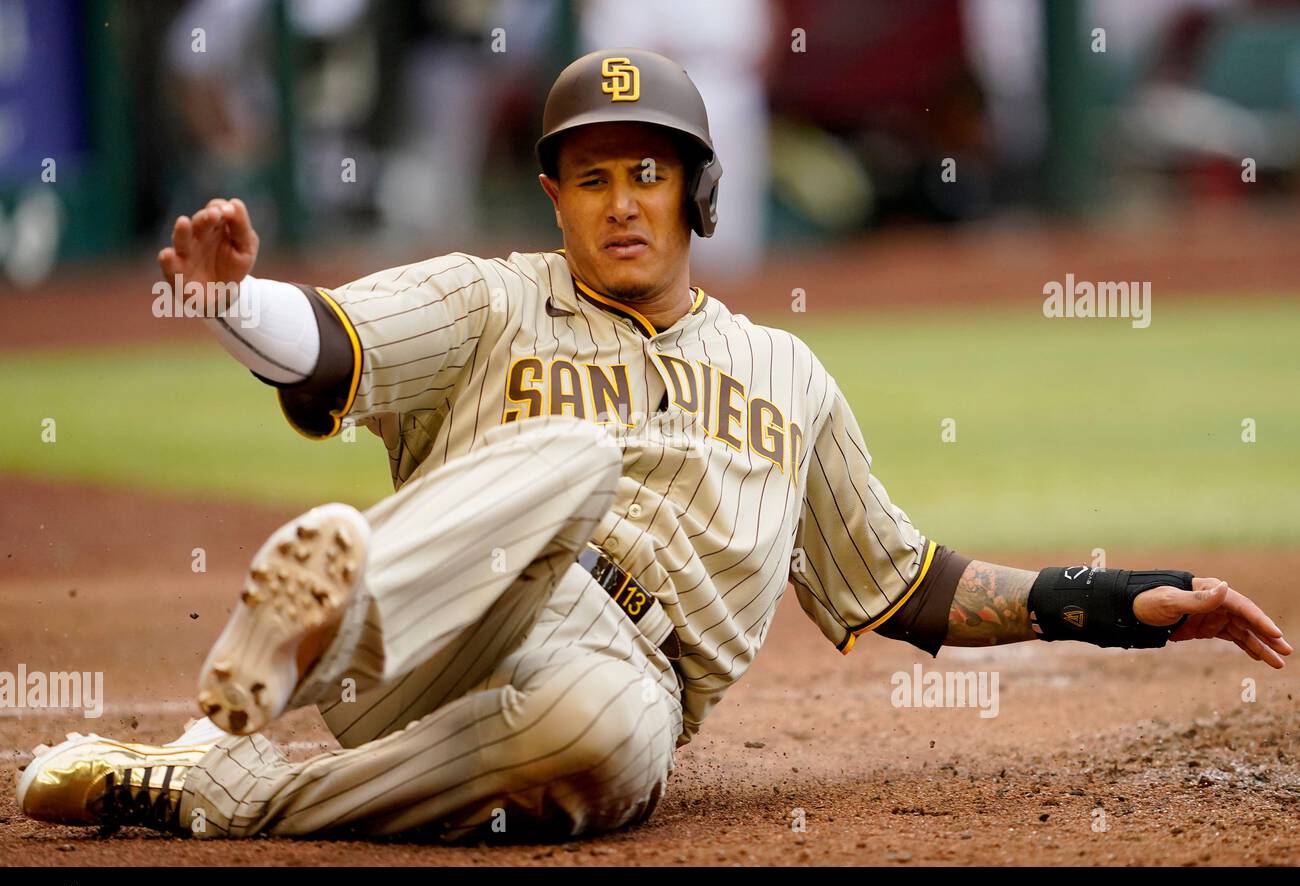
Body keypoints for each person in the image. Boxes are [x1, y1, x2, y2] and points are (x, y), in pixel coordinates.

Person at [17, 49, 1288, 843]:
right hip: (419, 629)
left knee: (604, 743)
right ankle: (305, 630)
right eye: (589, 177)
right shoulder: (494, 297)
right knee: (572, 456)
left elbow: (912, 586)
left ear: (695, 191)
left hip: (617, 686)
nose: (621, 199)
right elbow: (336, 345)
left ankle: (202, 784)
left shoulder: (785, 375)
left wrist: (1117, 601)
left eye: (647, 171)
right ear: (554, 197)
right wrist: (232, 301)